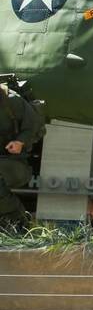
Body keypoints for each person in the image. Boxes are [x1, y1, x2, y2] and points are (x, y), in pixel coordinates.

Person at [0, 78, 45, 230]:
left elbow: (33, 124)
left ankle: (19, 221)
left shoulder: (11, 100)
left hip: (15, 162)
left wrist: (20, 142)